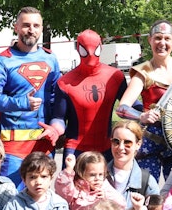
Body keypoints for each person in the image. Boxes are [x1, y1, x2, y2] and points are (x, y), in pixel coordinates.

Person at [0, 8, 63, 183]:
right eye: (26, 25)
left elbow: (57, 100)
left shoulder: (51, 59)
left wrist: (57, 128)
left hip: (44, 146)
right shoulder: (2, 61)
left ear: (41, 29)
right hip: (13, 148)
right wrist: (21, 103)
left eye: (36, 25)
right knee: (8, 199)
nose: (31, 30)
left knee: (39, 200)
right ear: (16, 27)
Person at [115, 19, 172, 181]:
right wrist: (141, 116)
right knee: (146, 193)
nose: (162, 43)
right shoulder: (143, 72)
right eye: (157, 38)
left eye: (167, 38)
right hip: (151, 142)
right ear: (150, 40)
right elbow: (122, 108)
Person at [49, 28, 124, 162]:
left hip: (107, 148)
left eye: (94, 49)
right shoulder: (65, 82)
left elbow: (130, 104)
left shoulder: (115, 77)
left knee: (106, 183)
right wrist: (55, 129)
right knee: (71, 183)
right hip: (76, 149)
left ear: (100, 47)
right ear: (78, 49)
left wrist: (149, 108)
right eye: (85, 49)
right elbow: (59, 117)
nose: (90, 54)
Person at [54, 151, 126, 210]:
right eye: (92, 175)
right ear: (81, 173)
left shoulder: (104, 188)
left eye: (101, 174)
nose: (97, 178)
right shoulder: (76, 188)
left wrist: (106, 197)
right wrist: (69, 169)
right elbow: (63, 191)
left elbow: (122, 204)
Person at [106, 121, 159, 198]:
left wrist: (140, 209)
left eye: (127, 143)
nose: (121, 147)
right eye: (116, 142)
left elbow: (156, 209)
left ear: (138, 145)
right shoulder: (96, 175)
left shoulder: (147, 182)